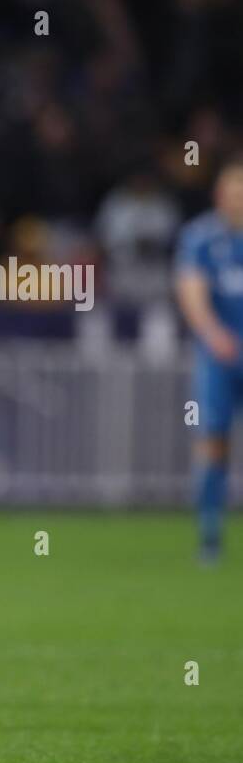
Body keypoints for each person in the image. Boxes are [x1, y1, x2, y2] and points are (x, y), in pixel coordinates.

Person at [175, 156, 243, 564]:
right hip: (219, 356)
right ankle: (210, 535)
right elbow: (190, 289)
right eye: (233, 191)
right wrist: (213, 333)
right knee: (212, 439)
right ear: (220, 194)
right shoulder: (200, 237)